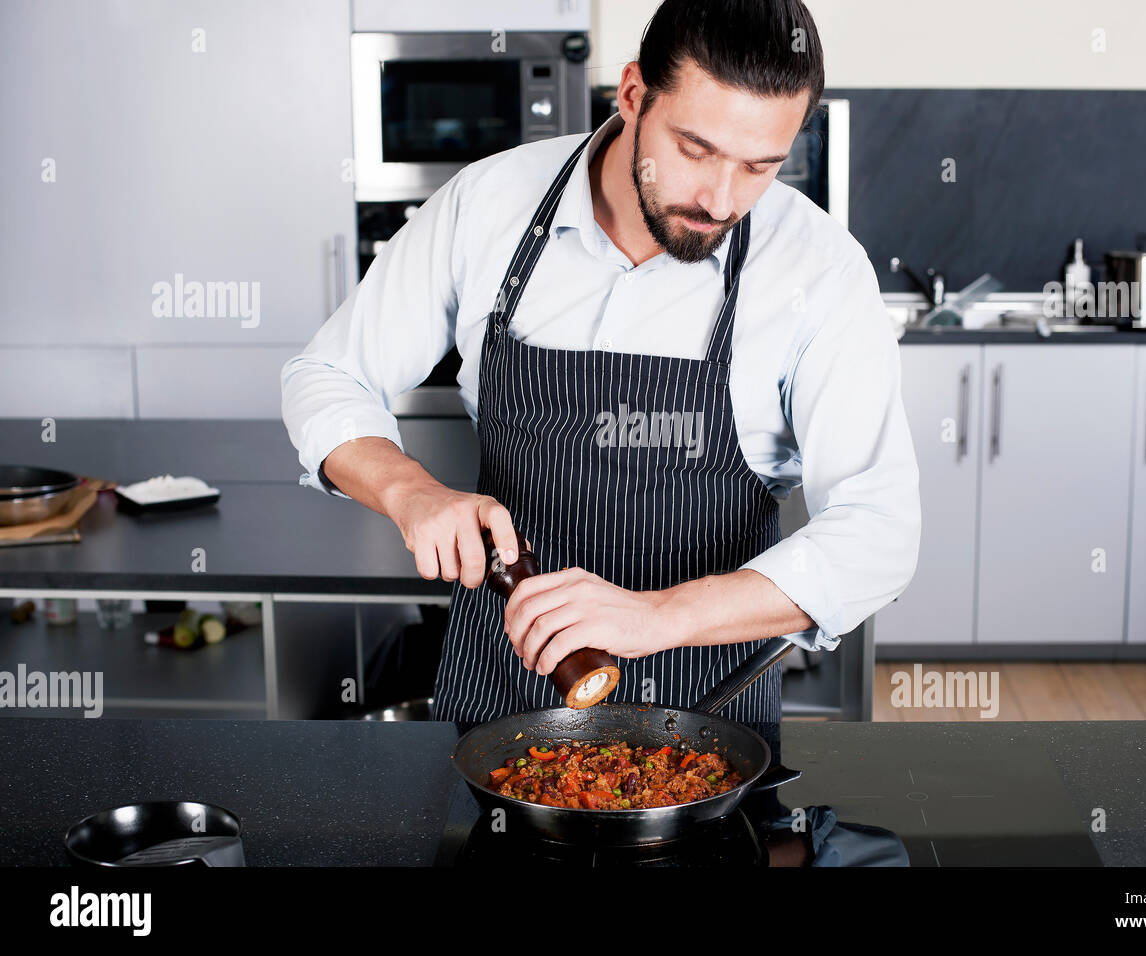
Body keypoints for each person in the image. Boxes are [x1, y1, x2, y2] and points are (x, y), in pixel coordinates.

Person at [281, 0, 921, 723]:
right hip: (495, 708)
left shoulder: (818, 269)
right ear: (632, 94)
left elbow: (880, 532)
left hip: (706, 732)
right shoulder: (488, 205)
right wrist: (408, 490)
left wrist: (658, 617)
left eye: (759, 167)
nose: (720, 199)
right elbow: (326, 374)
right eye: (695, 150)